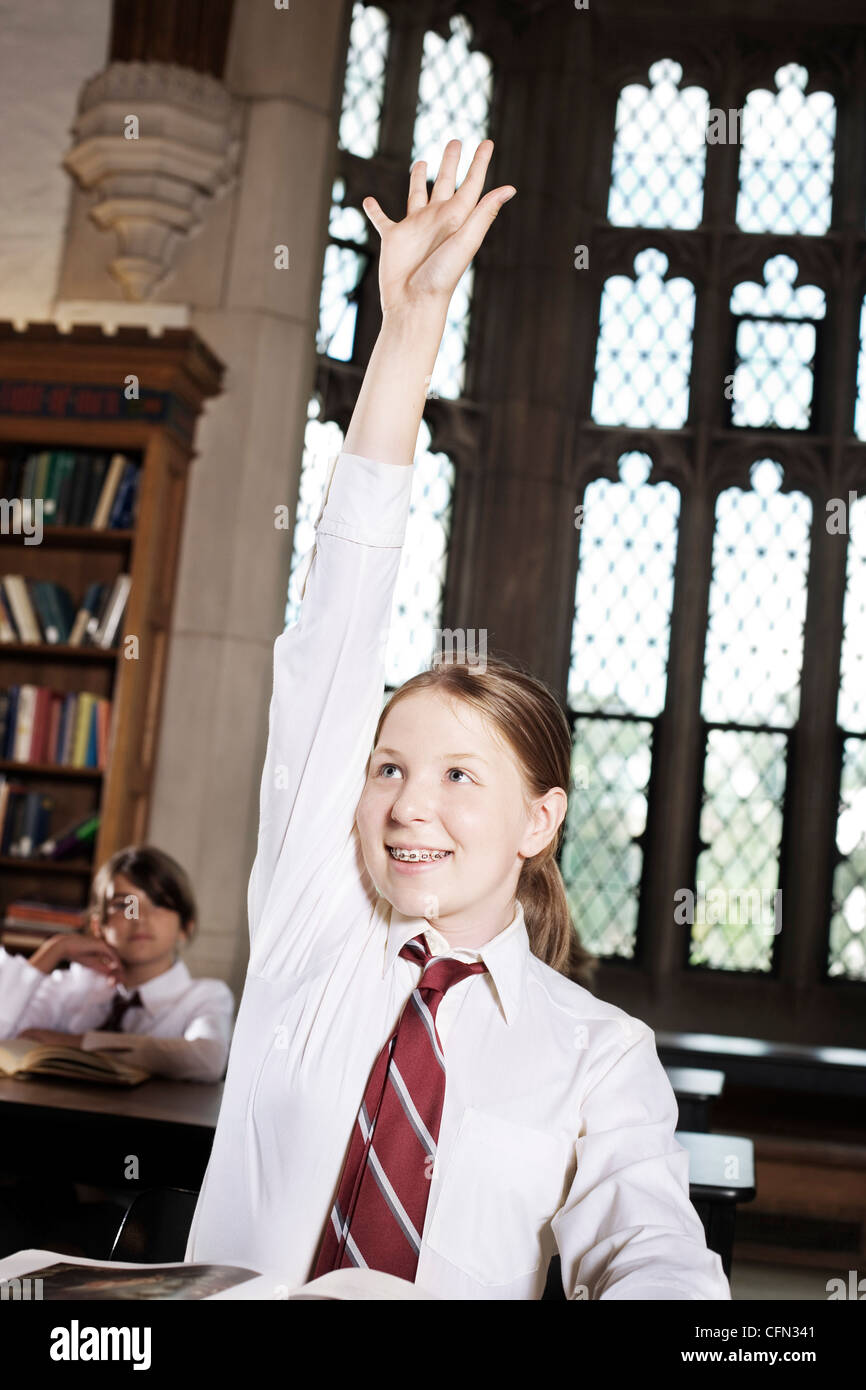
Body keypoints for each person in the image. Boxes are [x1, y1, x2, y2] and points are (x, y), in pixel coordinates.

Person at [184, 137, 731, 1299]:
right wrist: (406, 341)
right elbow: (335, 619)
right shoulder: (307, 932)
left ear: (541, 818)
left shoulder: (597, 1052)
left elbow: (652, 1251)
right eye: (386, 765)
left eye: (456, 777)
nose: (404, 804)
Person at [0, 844, 235, 1083]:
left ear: (186, 927)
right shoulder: (72, 986)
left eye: (158, 903)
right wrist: (54, 949)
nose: (140, 917)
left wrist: (77, 1043)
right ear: (98, 926)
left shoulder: (205, 996)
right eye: (125, 905)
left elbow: (208, 1058)